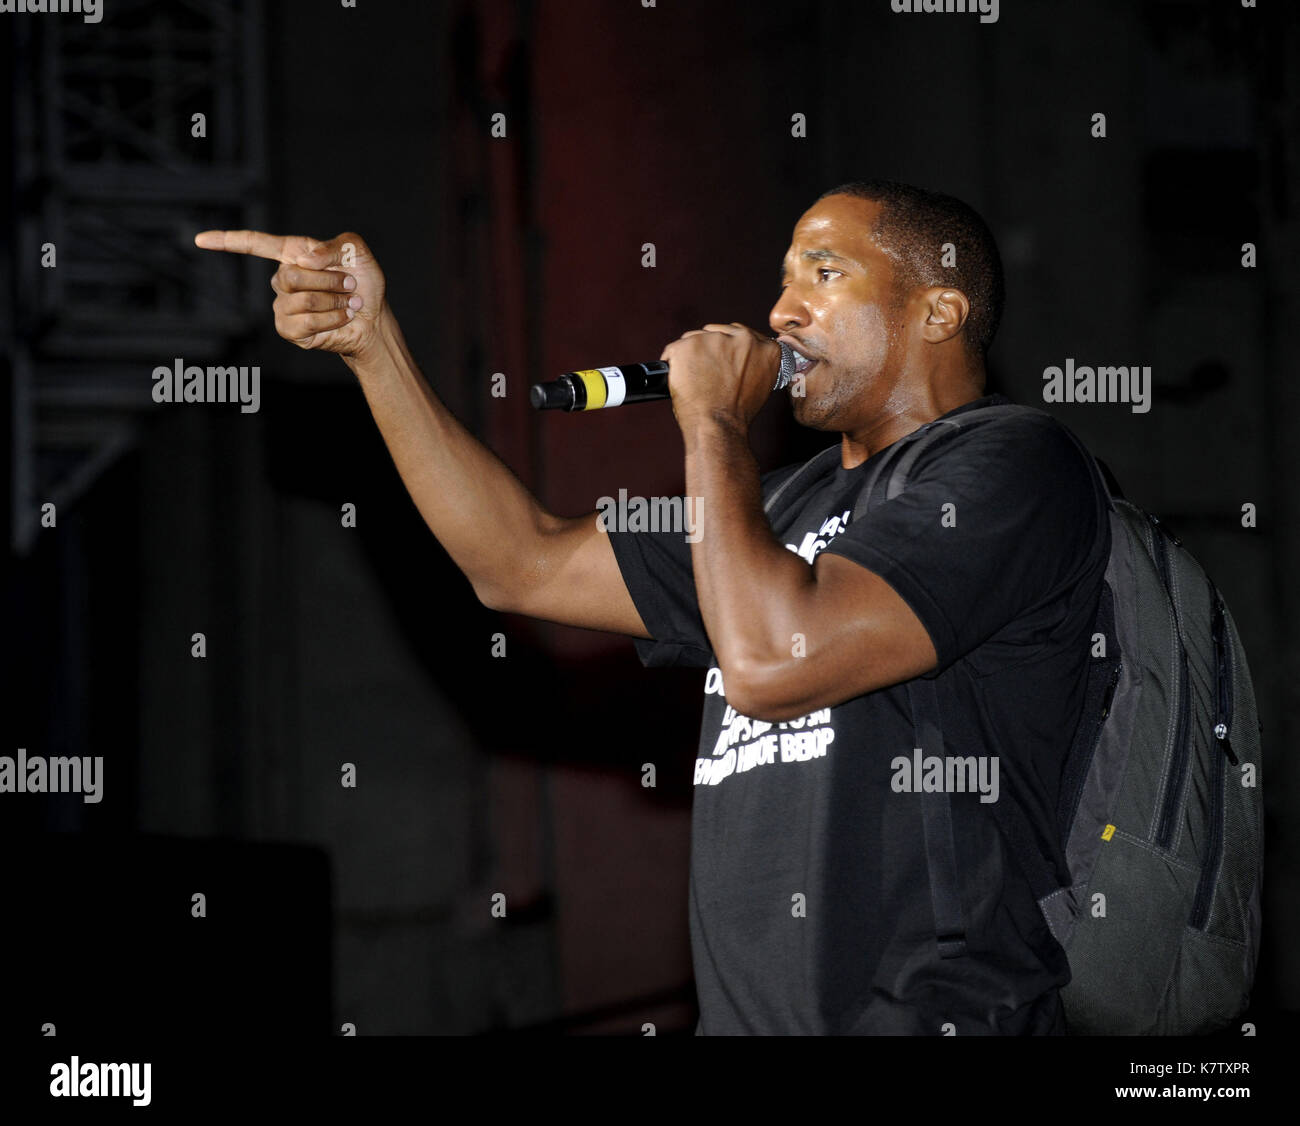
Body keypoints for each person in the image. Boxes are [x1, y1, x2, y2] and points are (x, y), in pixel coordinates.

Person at [195, 179, 1110, 1035]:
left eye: (823, 276)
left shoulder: (1017, 467)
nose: (783, 312)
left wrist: (711, 422)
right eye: (782, 281)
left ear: (939, 309)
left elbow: (774, 663)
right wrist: (374, 348)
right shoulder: (777, 511)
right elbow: (521, 564)